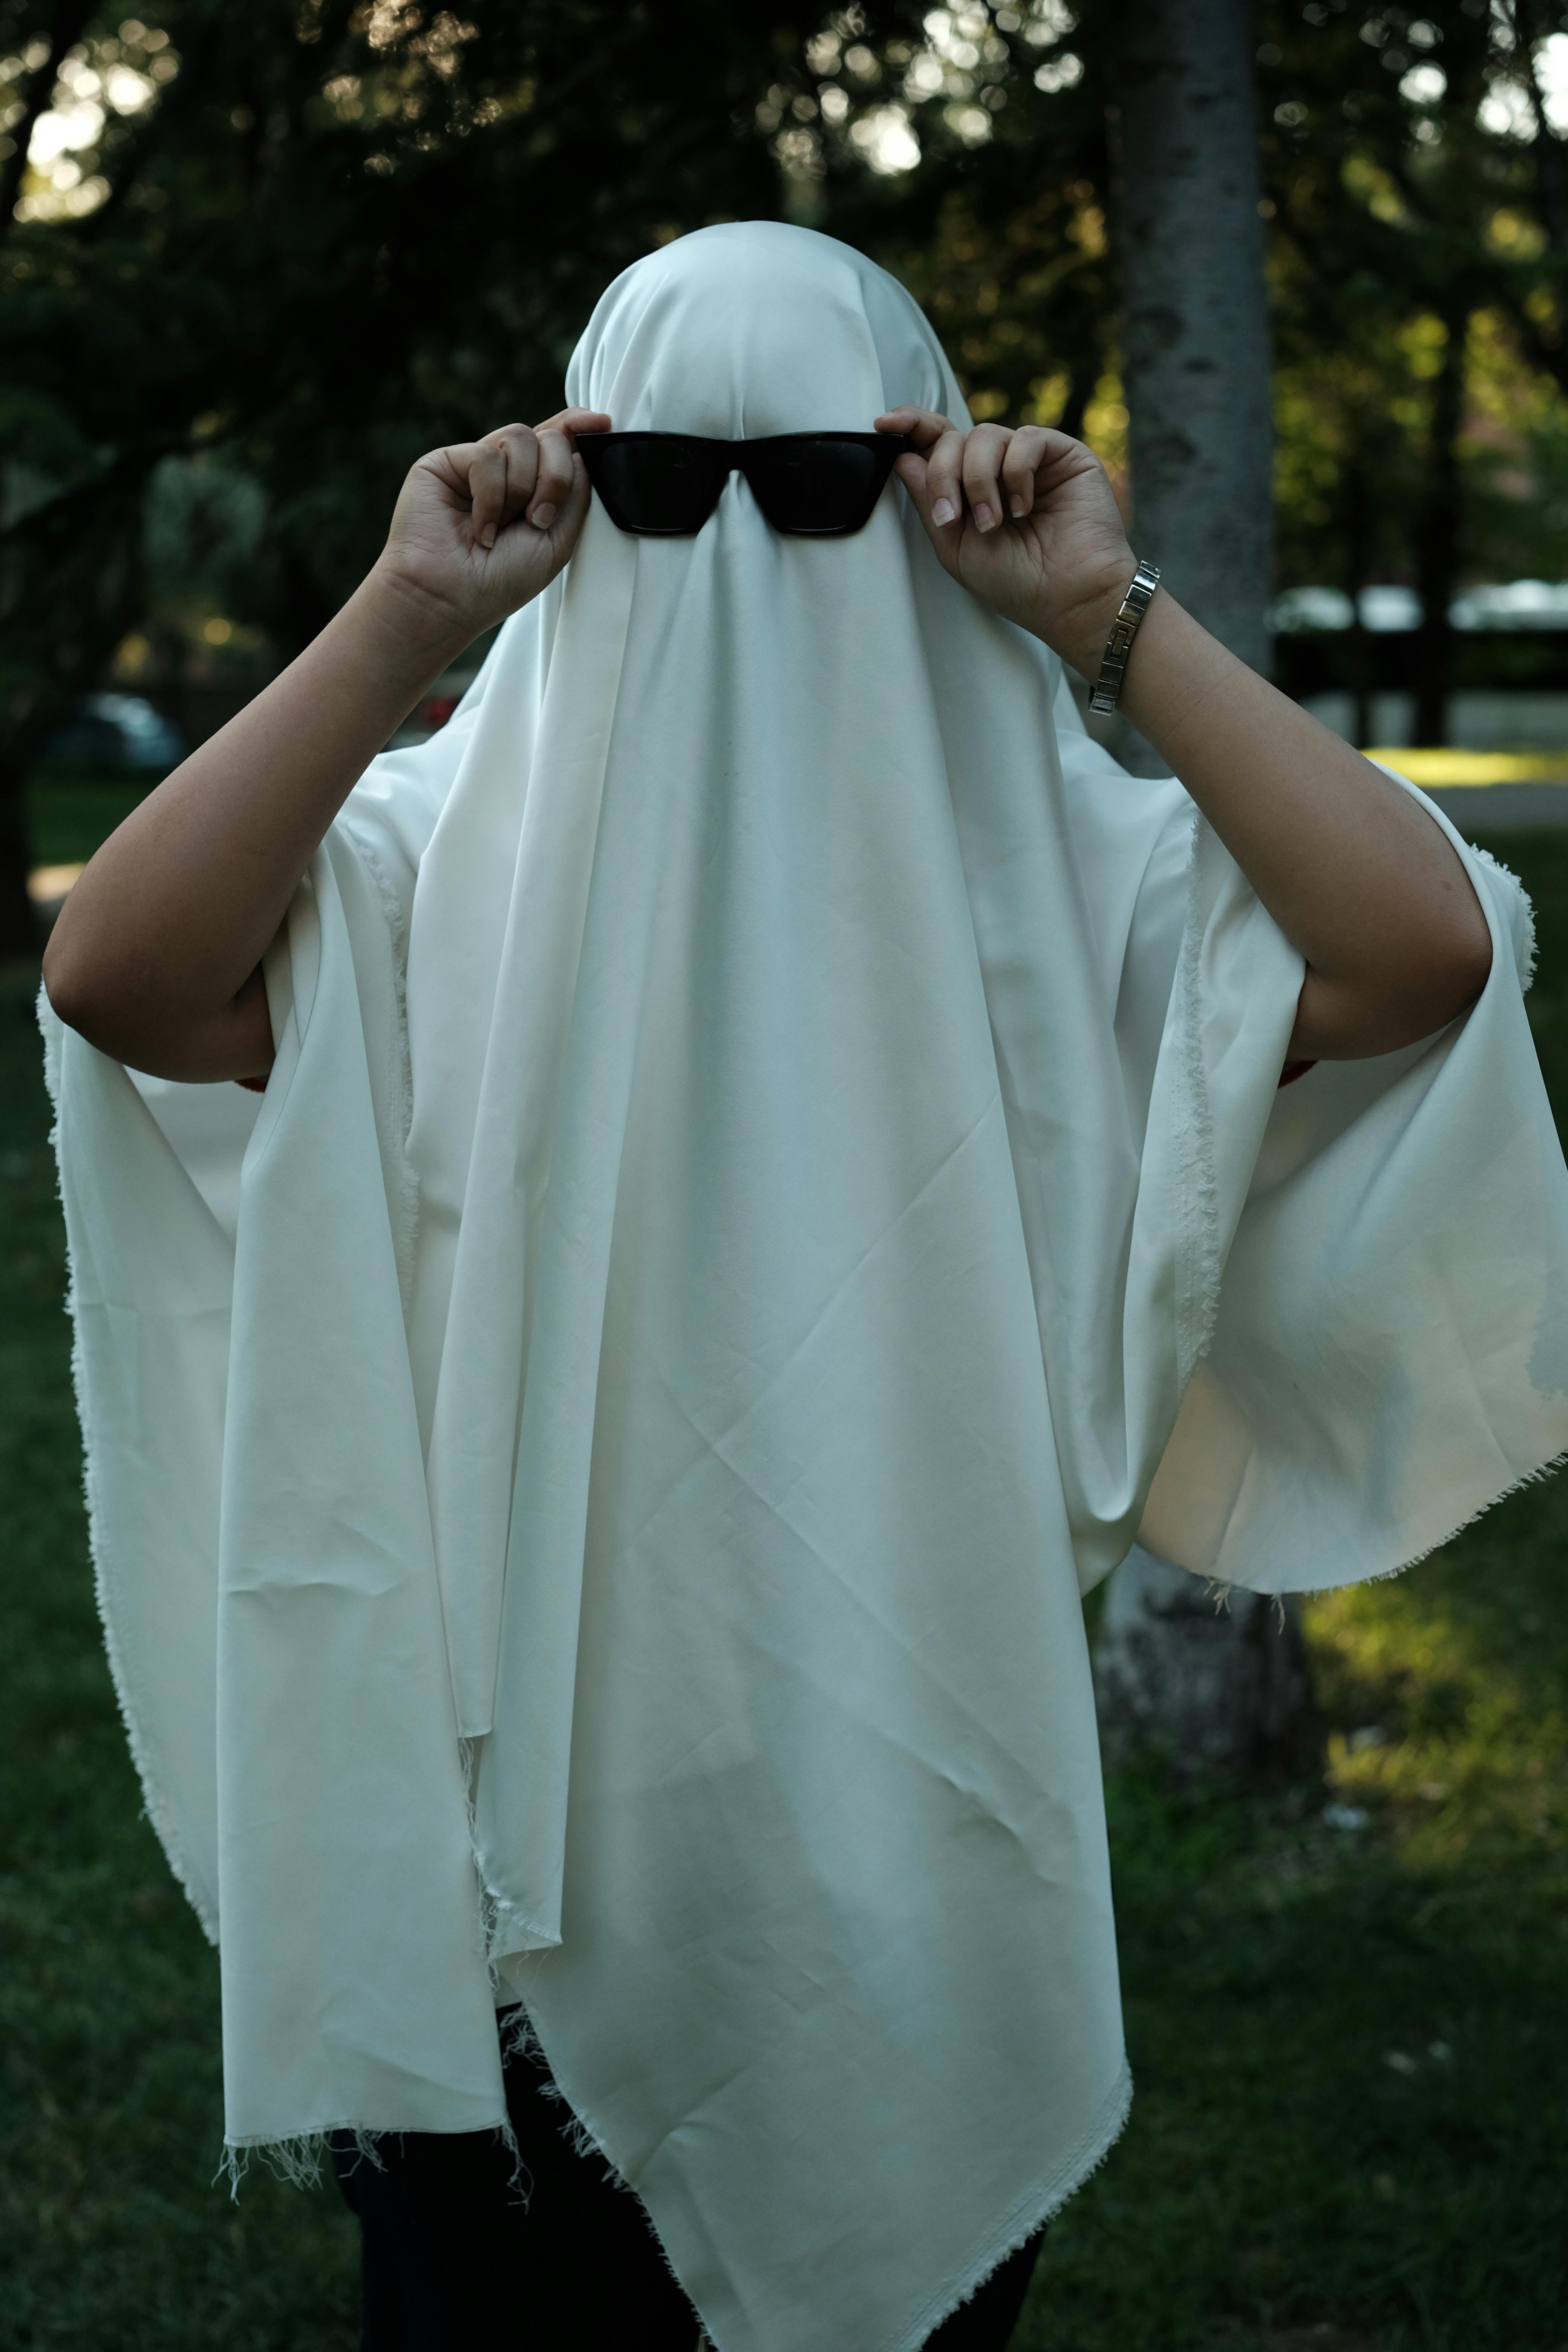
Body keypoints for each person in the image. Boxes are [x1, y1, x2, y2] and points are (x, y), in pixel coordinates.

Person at [40, 224, 1568, 2352]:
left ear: (926, 484)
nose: (747, 546)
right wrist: (406, 614)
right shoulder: (424, 866)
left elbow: (1423, 955)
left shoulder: (1078, 876)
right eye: (669, 485)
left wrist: (1106, 617)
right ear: (576, 486)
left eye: (826, 487)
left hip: (901, 1834)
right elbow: (118, 975)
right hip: (512, 1899)